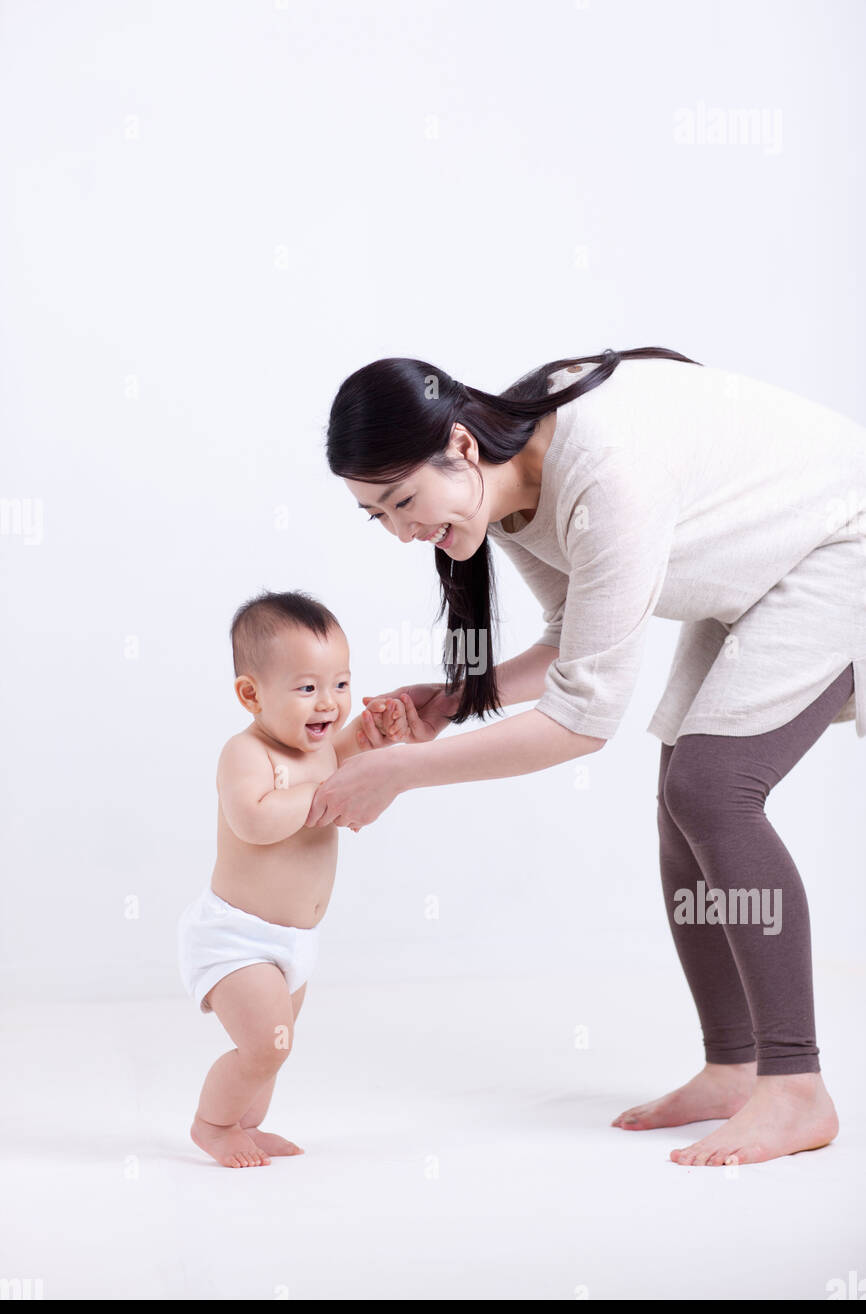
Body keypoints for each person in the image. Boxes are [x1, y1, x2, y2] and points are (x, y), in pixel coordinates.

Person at [305, 346, 866, 1166]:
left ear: (461, 447)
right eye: (377, 515)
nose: (402, 532)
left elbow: (582, 717)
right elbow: (577, 638)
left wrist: (401, 772)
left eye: (402, 502)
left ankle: (796, 1089)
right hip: (759, 567)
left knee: (715, 788)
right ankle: (734, 1064)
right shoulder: (513, 489)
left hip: (839, 543)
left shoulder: (603, 475)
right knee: (686, 792)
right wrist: (454, 701)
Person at [177, 589, 413, 1169]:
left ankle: (244, 1126)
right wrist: (317, 790)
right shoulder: (247, 752)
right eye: (307, 688)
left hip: (296, 943)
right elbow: (254, 820)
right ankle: (212, 1124)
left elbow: (352, 753)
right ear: (251, 695)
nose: (328, 703)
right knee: (262, 1046)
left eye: (340, 684)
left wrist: (376, 731)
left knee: (275, 1050)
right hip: (236, 937)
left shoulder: (325, 748)